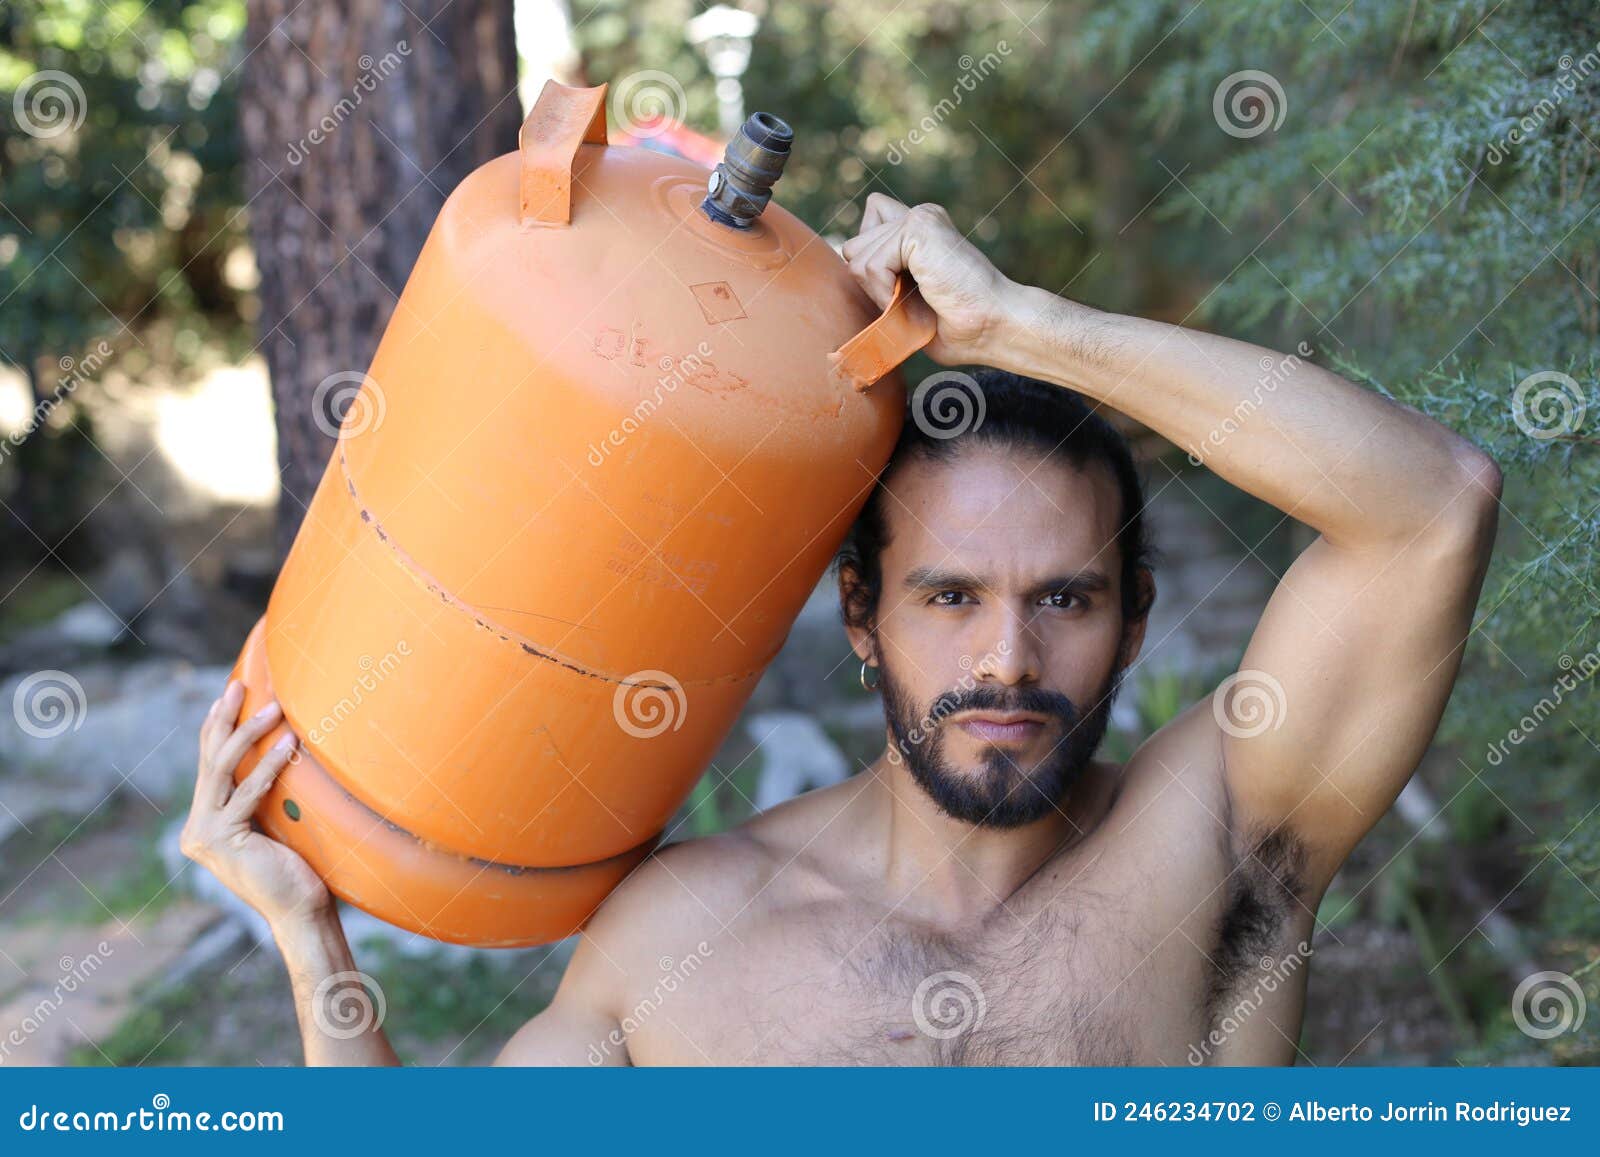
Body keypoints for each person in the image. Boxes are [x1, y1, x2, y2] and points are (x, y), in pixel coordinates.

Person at [183, 192, 1501, 1065]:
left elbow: (1432, 505)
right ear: (860, 617)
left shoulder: (1218, 844)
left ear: (1135, 620)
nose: (1006, 660)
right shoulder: (684, 937)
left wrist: (1030, 327)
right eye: (949, 595)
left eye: (1065, 598)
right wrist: (315, 950)